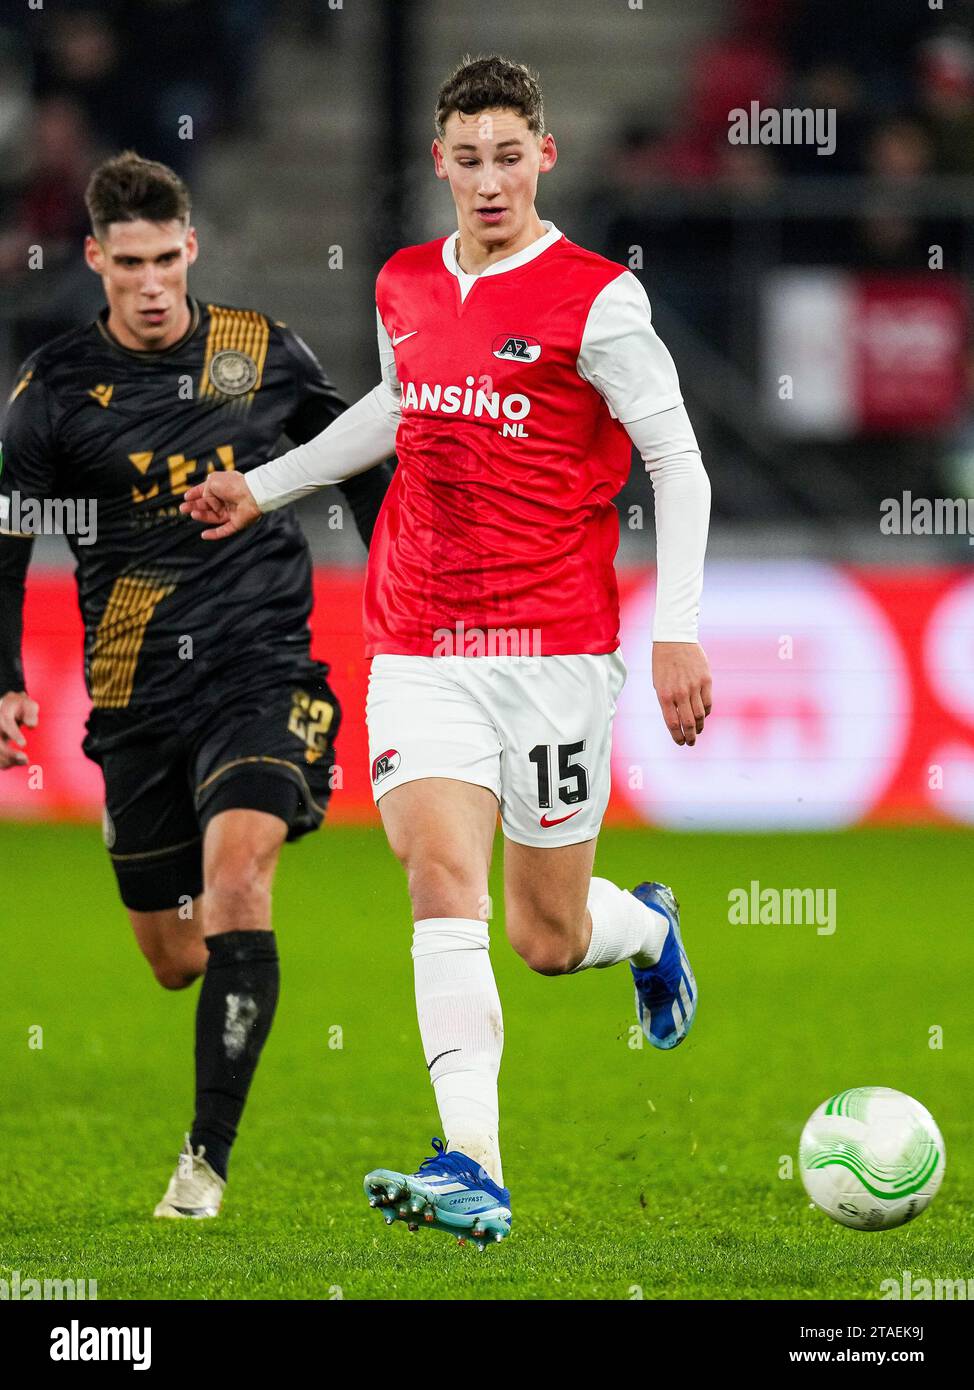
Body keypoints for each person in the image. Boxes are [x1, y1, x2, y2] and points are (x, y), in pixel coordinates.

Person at [181, 56, 712, 1250]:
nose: (486, 179)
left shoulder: (595, 300)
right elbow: (396, 403)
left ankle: (647, 931)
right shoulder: (404, 282)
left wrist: (676, 624)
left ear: (542, 157)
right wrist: (262, 489)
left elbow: (676, 464)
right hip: (418, 636)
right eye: (464, 159)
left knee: (546, 936)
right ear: (438, 163)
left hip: (557, 650)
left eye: (505, 156)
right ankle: (473, 1161)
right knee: (437, 882)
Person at [0, 151, 390, 1219]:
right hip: (133, 702)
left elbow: (358, 455)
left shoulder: (260, 352)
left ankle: (203, 1163)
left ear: (192, 249)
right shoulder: (54, 392)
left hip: (262, 670)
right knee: (176, 957)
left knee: (238, 885)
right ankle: (189, 876)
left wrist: (404, 590)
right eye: (130, 263)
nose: (153, 282)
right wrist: (1, 678)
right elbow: (9, 536)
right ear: (94, 259)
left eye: (168, 258)